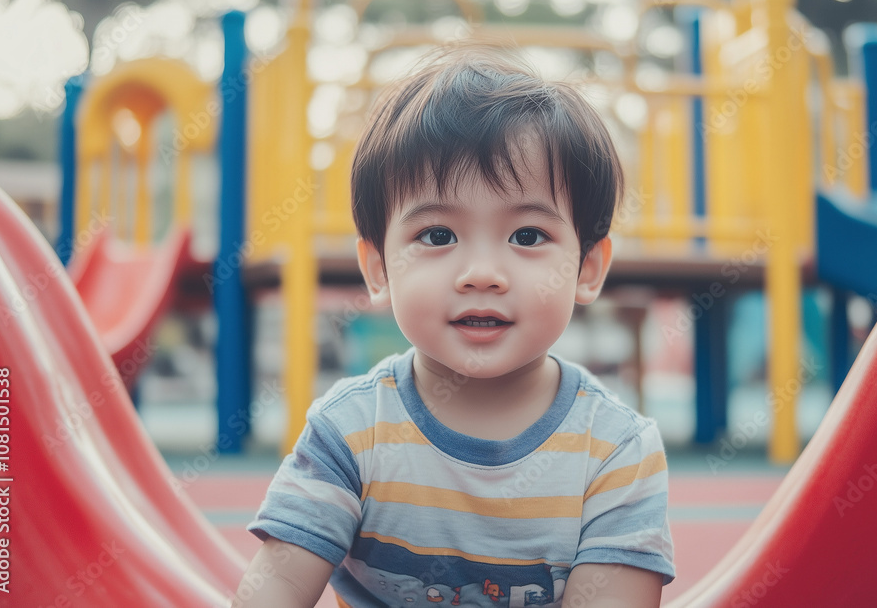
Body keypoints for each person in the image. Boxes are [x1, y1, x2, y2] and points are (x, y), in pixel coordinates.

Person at [232, 46, 675, 608]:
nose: (482, 274)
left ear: (586, 268)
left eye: (528, 236)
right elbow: (270, 593)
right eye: (438, 236)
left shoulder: (616, 453)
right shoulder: (349, 432)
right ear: (378, 269)